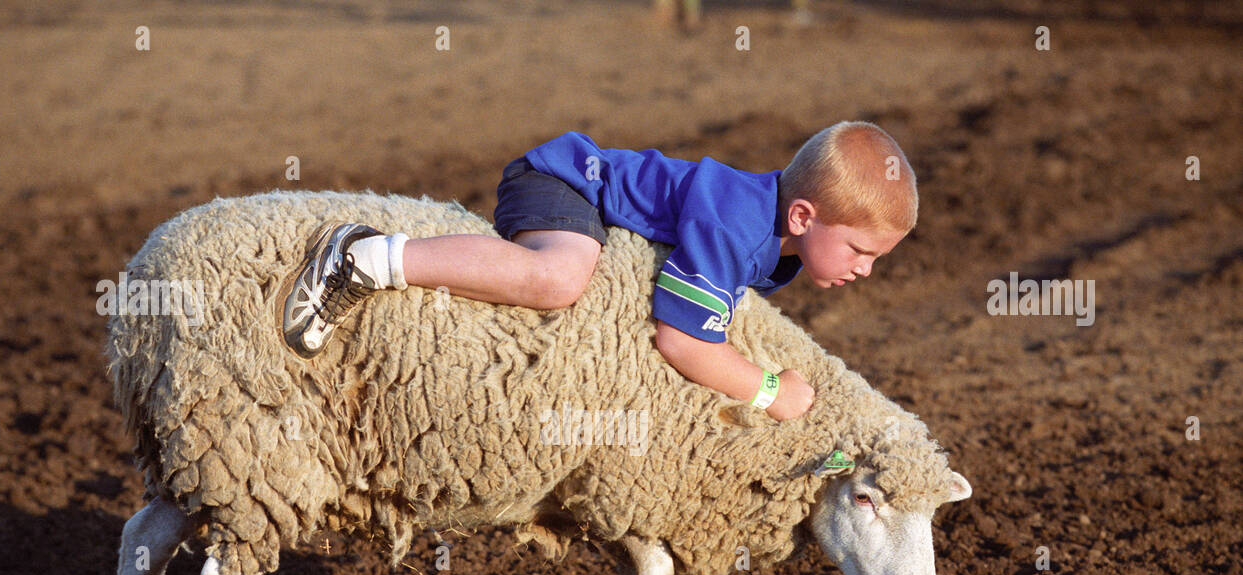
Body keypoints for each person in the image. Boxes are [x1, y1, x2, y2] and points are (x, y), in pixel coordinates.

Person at [280, 121, 916, 421]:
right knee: (559, 279)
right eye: (861, 251)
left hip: (587, 199)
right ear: (803, 216)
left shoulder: (773, 236)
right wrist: (770, 390)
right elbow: (681, 339)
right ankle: (366, 257)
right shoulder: (735, 224)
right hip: (561, 182)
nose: (864, 270)